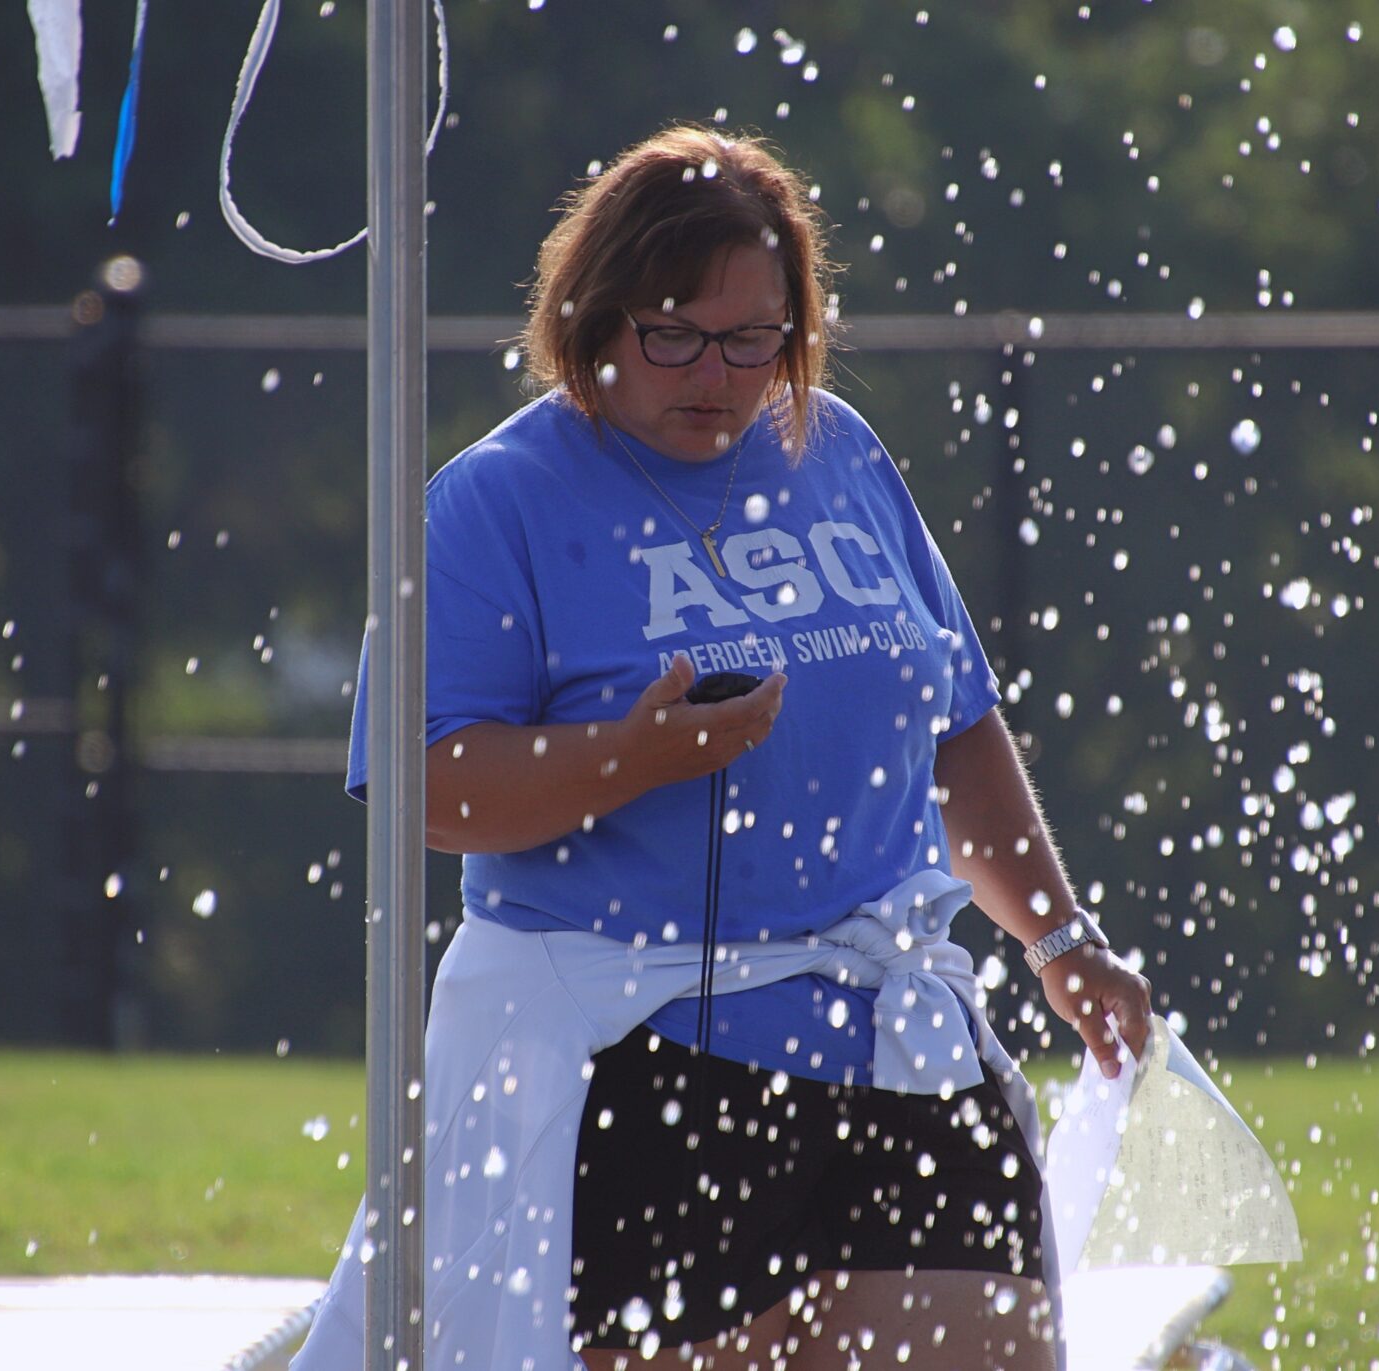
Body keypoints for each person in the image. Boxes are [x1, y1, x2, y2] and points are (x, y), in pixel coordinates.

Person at [291, 124, 1153, 1371]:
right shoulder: (494, 500)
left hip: (901, 1040)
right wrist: (625, 760)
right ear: (594, 319)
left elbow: (956, 723)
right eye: (675, 333)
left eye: (756, 337)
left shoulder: (838, 450)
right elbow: (418, 793)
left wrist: (1061, 942)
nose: (718, 372)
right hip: (647, 1069)